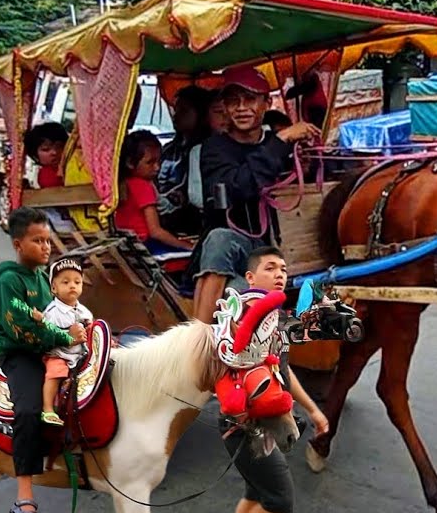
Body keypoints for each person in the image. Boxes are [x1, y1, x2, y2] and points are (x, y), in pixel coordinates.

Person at [221, 246, 328, 513]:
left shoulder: (273, 321)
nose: (280, 273)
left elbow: (282, 372)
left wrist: (312, 409)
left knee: (256, 492)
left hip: (262, 420)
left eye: (283, 268)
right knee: (280, 497)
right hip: (246, 425)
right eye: (270, 267)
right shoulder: (244, 314)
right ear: (250, 277)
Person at [189, 67, 319, 323]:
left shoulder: (281, 144)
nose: (241, 107)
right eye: (233, 101)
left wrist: (305, 163)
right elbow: (239, 186)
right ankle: (197, 341)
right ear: (225, 107)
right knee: (221, 243)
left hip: (281, 251)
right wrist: (281, 141)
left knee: (243, 294)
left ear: (266, 103)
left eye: (249, 99)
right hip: (236, 256)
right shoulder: (215, 148)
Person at [0, 207, 86, 513]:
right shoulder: (9, 283)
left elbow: (58, 312)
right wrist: (65, 336)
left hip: (52, 349)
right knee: (29, 411)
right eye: (38, 240)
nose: (46, 247)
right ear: (18, 245)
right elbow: (24, 331)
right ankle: (24, 495)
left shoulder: (44, 278)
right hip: (22, 355)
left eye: (48, 240)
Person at [113, 130, 195, 253]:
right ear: (130, 163)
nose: (157, 167)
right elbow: (155, 231)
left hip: (128, 246)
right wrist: (186, 246)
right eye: (150, 162)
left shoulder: (121, 184)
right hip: (146, 246)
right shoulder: (144, 186)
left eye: (159, 161)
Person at [39, 257, 93, 426]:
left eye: (77, 282)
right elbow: (47, 334)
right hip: (60, 354)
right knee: (56, 373)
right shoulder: (52, 312)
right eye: (66, 282)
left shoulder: (83, 311)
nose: (72, 286)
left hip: (79, 354)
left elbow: (91, 328)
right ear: (54, 288)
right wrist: (66, 336)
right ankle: (47, 408)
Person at [157, 86, 213, 235]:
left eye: (184, 111)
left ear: (202, 115)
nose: (176, 116)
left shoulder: (206, 150)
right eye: (176, 110)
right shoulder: (168, 149)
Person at [24, 122, 69, 189]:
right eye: (46, 149)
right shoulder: (46, 174)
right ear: (35, 155)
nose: (54, 152)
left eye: (59, 147)